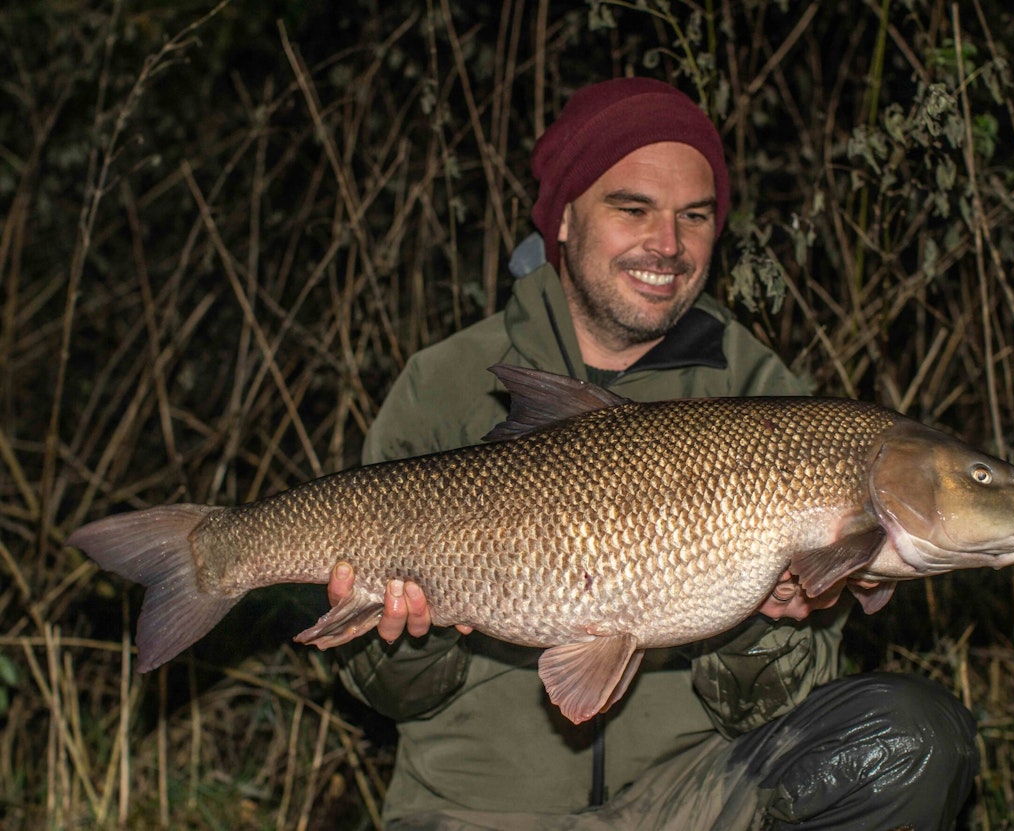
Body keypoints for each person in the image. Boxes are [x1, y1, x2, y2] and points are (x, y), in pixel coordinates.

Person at [327, 77, 979, 830]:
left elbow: (773, 708)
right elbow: (384, 694)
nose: (666, 244)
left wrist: (773, 618)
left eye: (694, 216)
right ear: (564, 219)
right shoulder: (443, 384)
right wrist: (403, 637)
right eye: (632, 207)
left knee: (912, 739)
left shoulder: (764, 394)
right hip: (475, 809)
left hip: (692, 802)